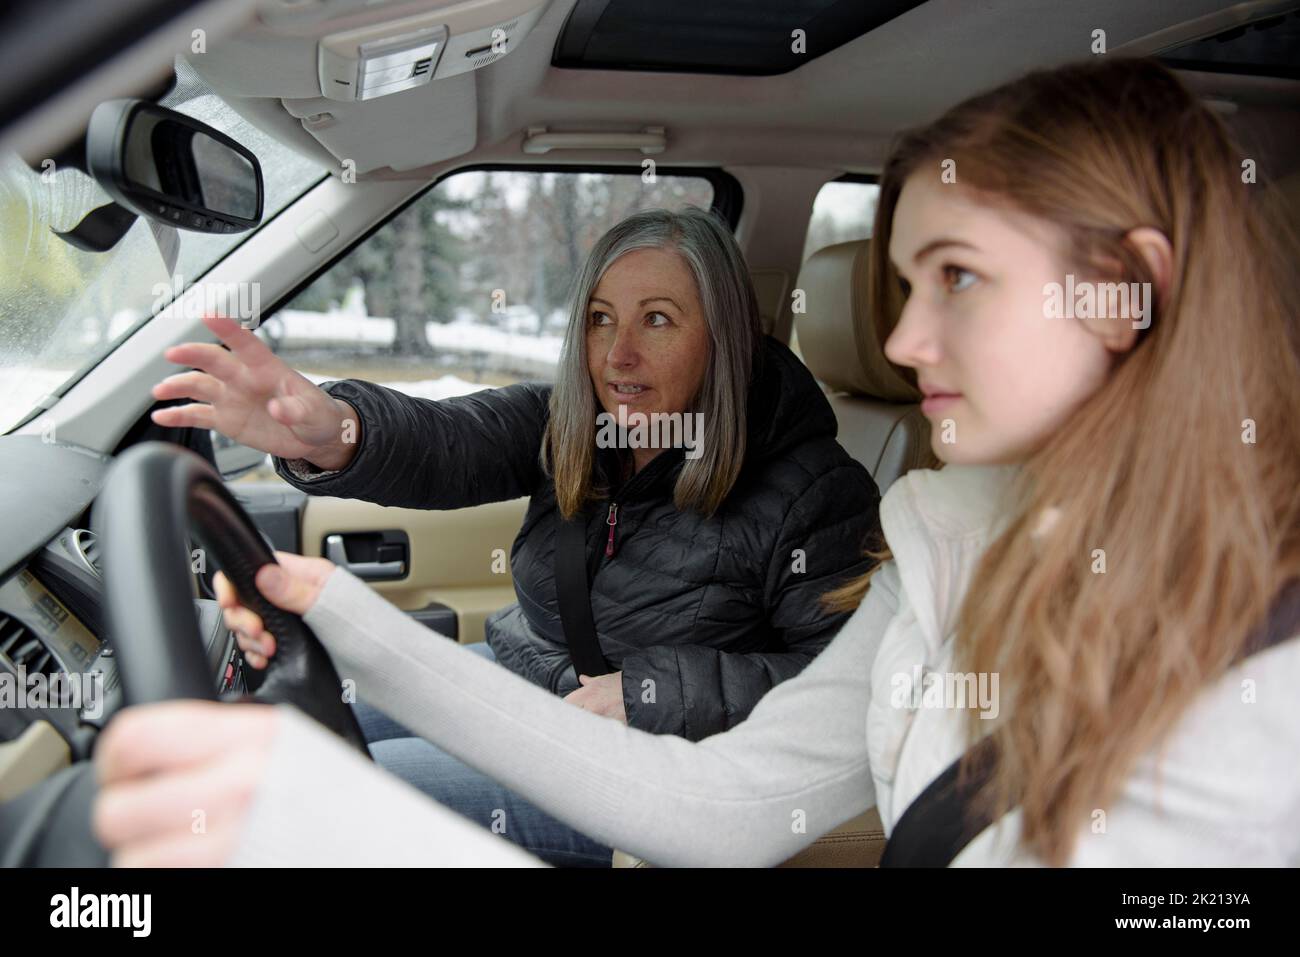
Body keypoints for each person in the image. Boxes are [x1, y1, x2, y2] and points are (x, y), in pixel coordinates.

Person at [95, 57, 1300, 867]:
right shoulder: (950, 538)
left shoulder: (1265, 703)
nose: (897, 339)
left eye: (961, 280)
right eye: (905, 280)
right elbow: (725, 813)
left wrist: (371, 830)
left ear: (1123, 294)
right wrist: (340, 578)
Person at [143, 207, 881, 865]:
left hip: (642, 772)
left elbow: (846, 693)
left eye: (657, 319)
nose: (617, 355)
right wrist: (335, 432)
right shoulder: (581, 425)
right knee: (298, 716)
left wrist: (654, 694)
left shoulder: (817, 490)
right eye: (599, 318)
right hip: (527, 682)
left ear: (723, 339)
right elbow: (451, 441)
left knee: (349, 791)